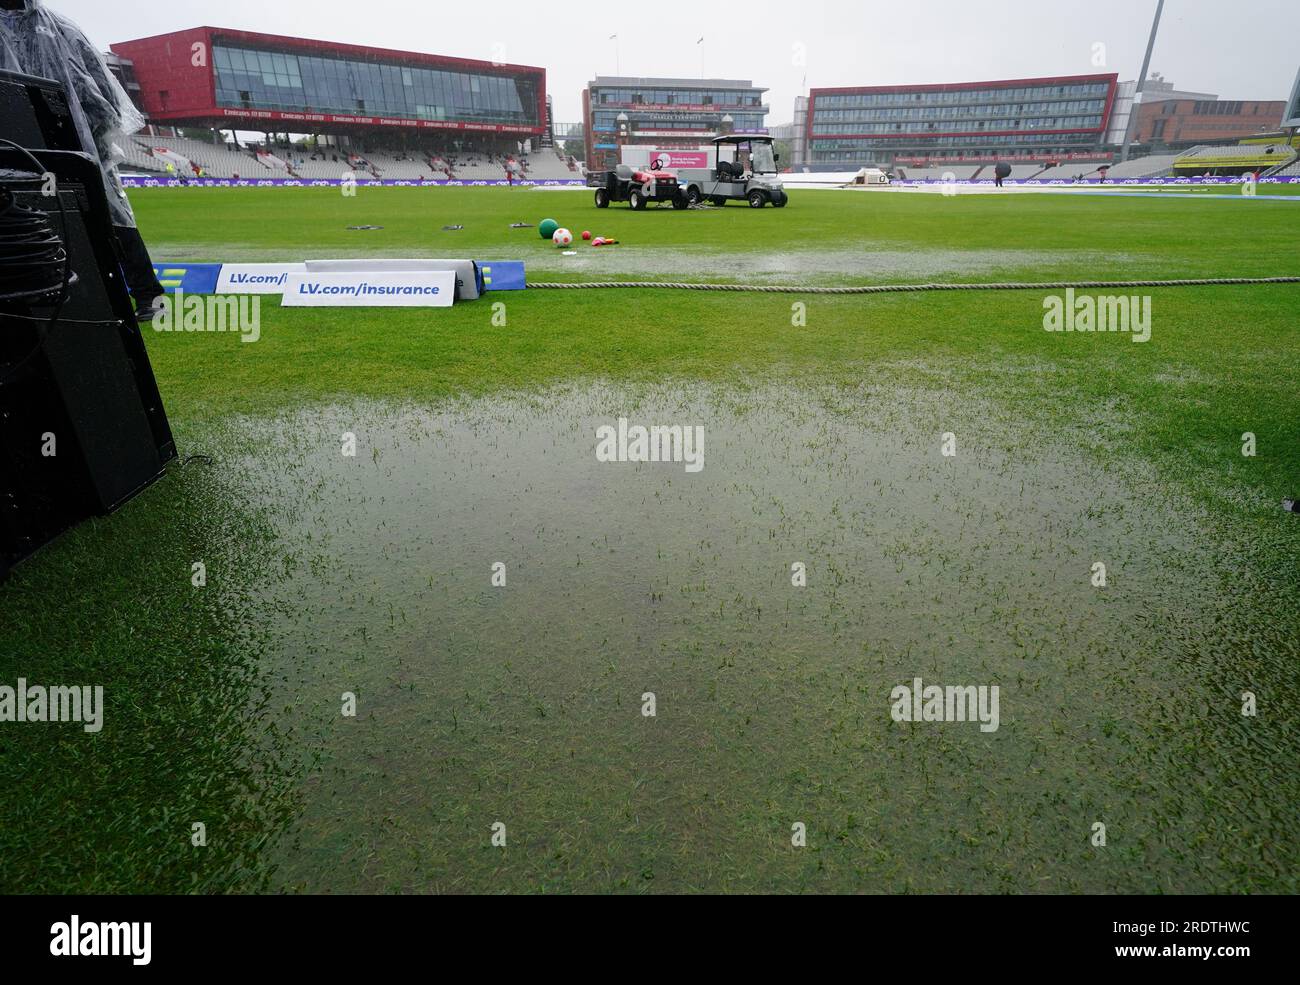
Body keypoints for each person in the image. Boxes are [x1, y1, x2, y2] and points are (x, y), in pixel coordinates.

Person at [0, 0, 165, 322]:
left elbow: (99, 88)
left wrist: (96, 138)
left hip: (76, 138)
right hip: (19, 141)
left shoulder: (61, 28)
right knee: (34, 218)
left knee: (111, 218)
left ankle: (147, 295)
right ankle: (55, 296)